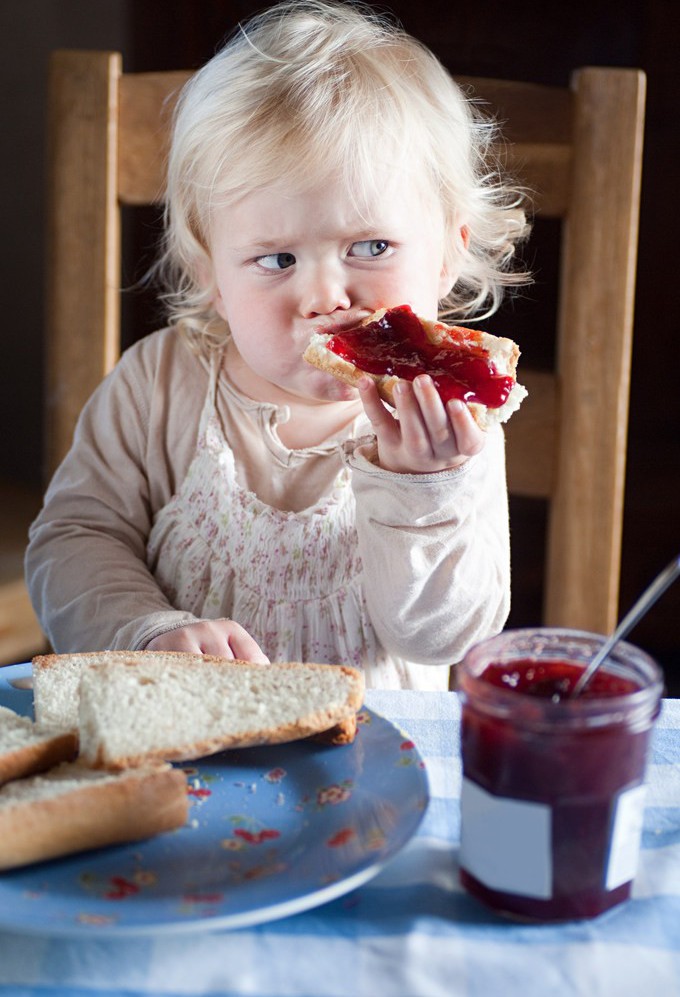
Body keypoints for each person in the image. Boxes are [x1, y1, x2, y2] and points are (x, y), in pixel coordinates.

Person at [26, 0, 530, 690]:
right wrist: (148, 629)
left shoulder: (451, 427)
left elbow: (441, 637)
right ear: (210, 274)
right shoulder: (156, 385)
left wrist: (424, 490)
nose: (325, 296)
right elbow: (71, 543)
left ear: (447, 254)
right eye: (277, 260)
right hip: (185, 745)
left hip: (373, 764)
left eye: (372, 246)